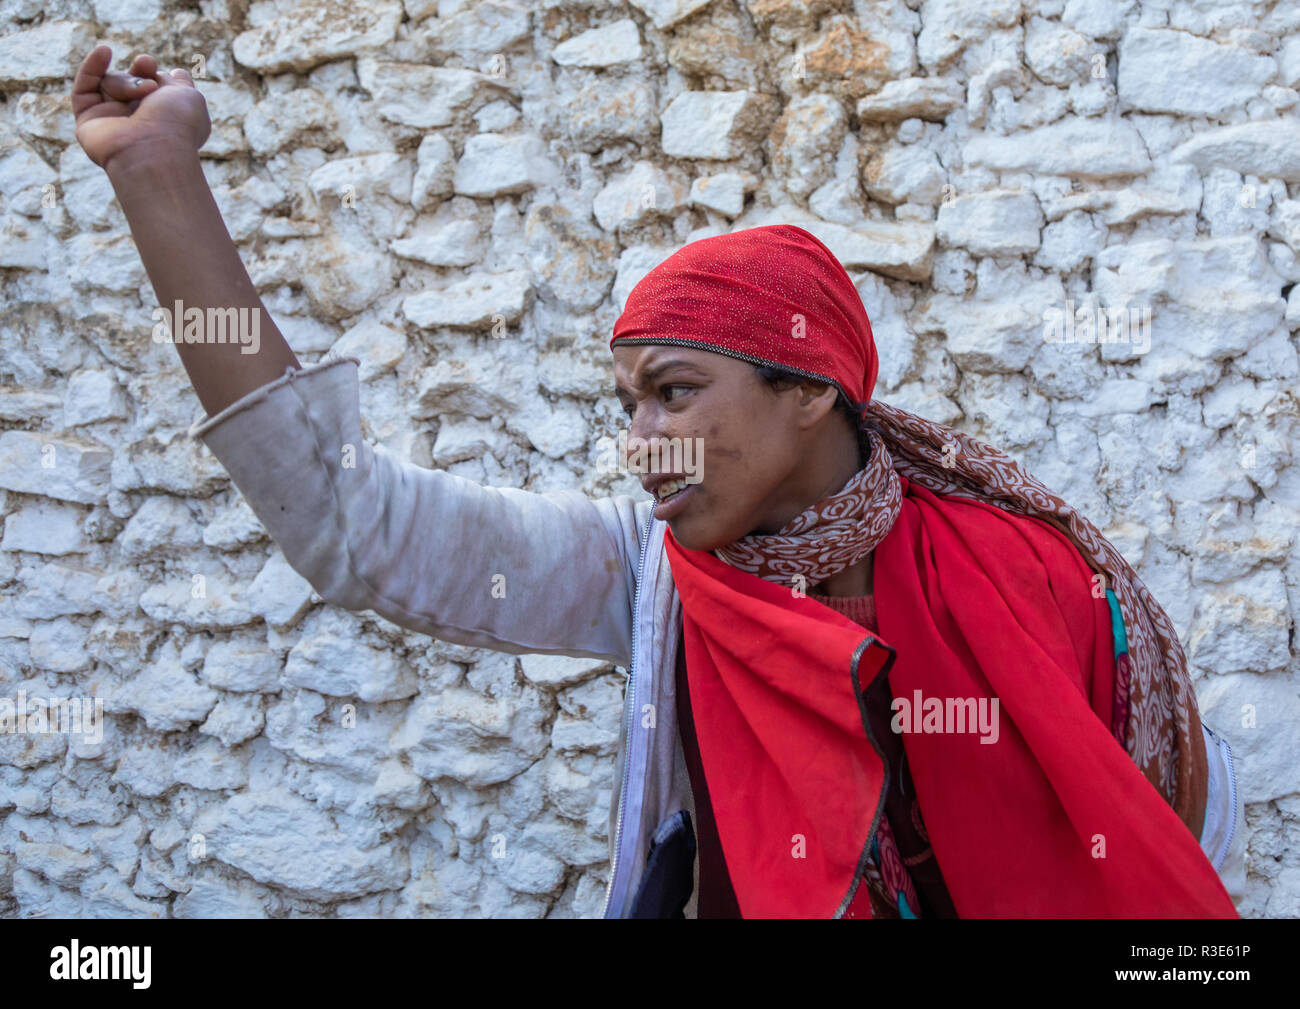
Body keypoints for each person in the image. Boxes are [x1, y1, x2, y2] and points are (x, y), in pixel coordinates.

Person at [73, 45, 1244, 918]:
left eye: (674, 390)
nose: (641, 440)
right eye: (625, 400)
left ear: (811, 388)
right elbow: (350, 526)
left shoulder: (1022, 575)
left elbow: (1170, 827)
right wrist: (157, 177)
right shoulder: (652, 577)